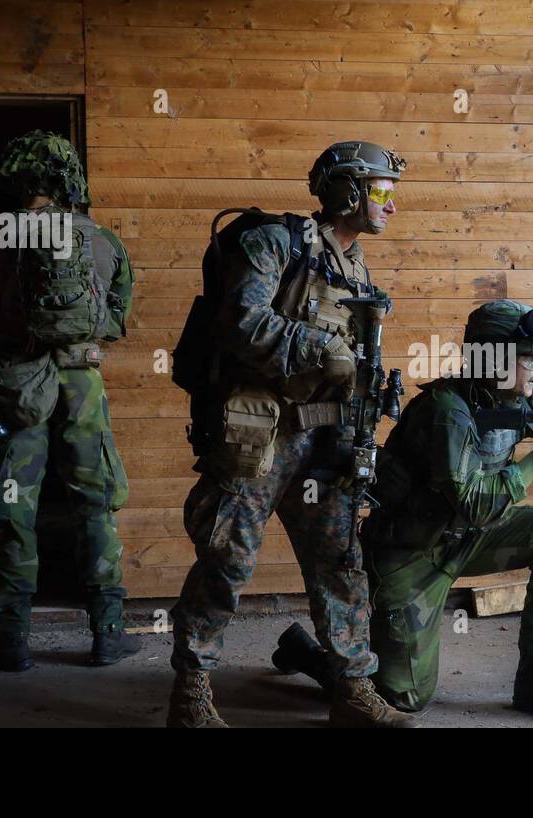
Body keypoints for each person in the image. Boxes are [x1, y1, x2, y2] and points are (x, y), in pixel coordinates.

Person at [166, 142, 415, 728]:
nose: (391, 205)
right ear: (348, 190)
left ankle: (352, 689)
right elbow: (243, 323)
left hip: (327, 439)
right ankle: (191, 692)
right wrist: (321, 349)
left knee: (341, 561)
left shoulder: (354, 265)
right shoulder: (273, 243)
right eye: (382, 191)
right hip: (261, 430)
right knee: (227, 558)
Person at [358, 299, 533, 723]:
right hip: (412, 556)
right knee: (404, 698)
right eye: (531, 359)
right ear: (496, 359)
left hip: (465, 540)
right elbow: (474, 504)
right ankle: (323, 662)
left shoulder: (509, 397)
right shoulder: (446, 413)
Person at [0, 130, 138, 671]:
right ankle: (108, 633)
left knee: (12, 506)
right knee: (95, 502)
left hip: (18, 384)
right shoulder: (104, 240)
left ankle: (11, 640)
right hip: (82, 381)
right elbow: (117, 318)